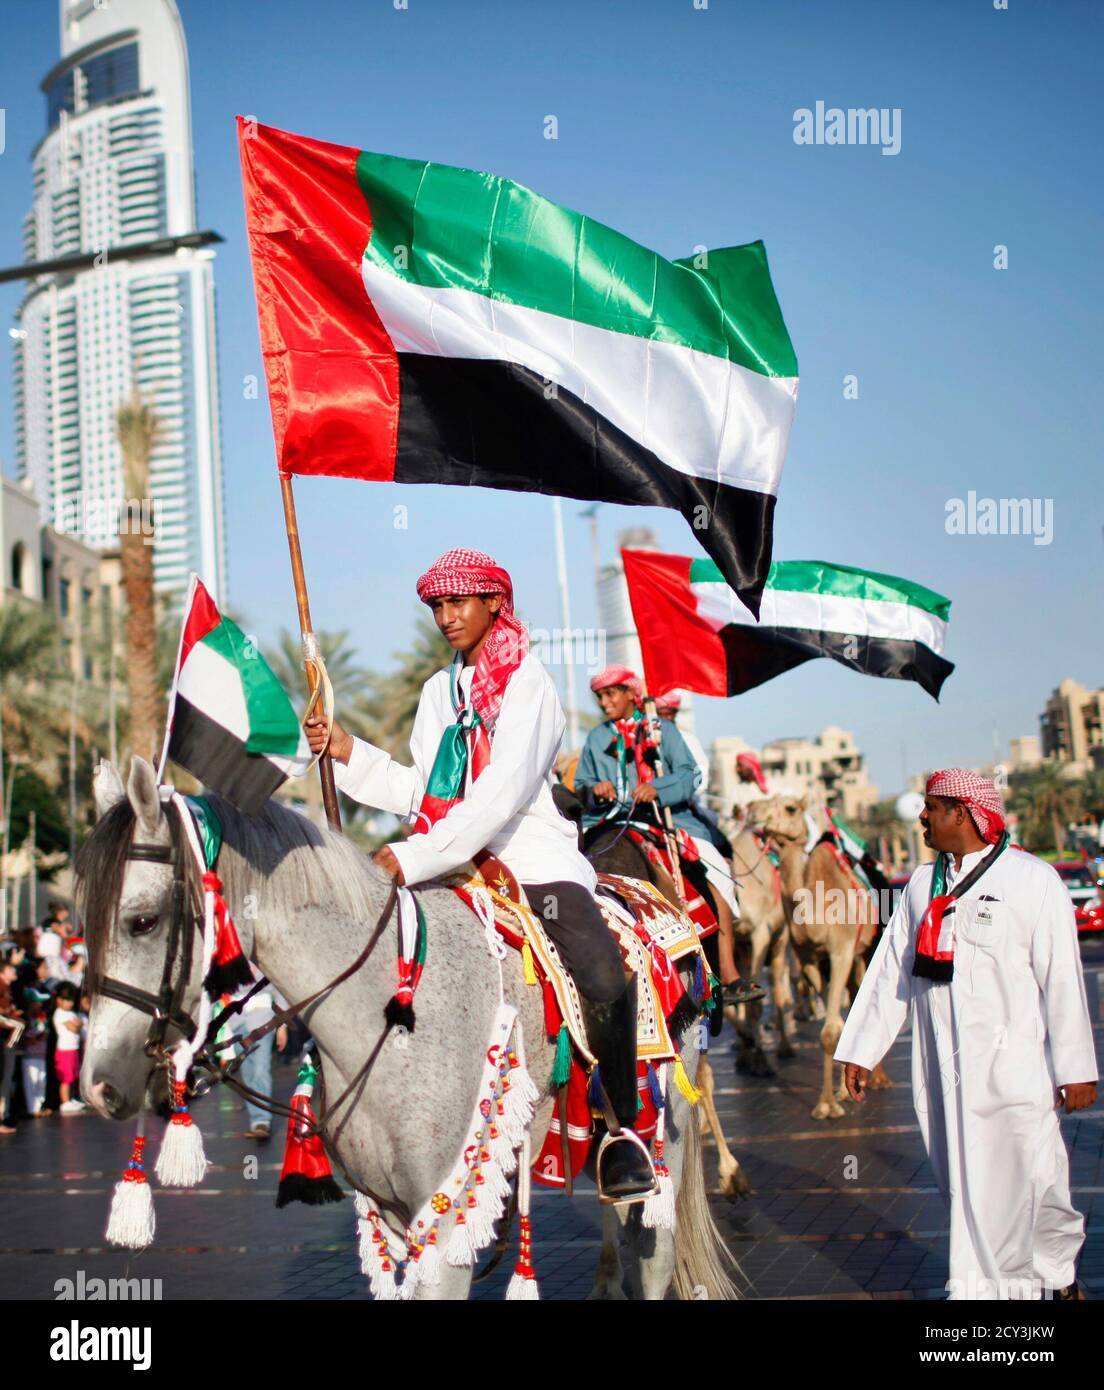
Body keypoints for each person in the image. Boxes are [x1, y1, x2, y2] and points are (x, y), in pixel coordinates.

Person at [305, 548, 657, 1203]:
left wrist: (412, 859)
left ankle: (622, 1127)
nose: (445, 617)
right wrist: (347, 750)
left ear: (496, 602)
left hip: (531, 864)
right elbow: (426, 791)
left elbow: (497, 797)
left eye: (457, 602)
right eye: (437, 605)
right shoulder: (440, 691)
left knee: (604, 973)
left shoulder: (530, 683)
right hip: (452, 864)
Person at [835, 769, 1098, 1301]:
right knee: (969, 1185)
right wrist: (863, 1050)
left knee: (1038, 1183)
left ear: (963, 812)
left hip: (1017, 1070)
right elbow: (892, 971)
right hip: (944, 1075)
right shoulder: (918, 886)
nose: (922, 817)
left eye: (931, 807)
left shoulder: (1032, 879)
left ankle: (1041, 1279)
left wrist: (1076, 1070)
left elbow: (1063, 979)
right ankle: (992, 1291)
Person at [576, 667, 762, 1007]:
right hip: (608, 822)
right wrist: (593, 789)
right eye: (600, 697)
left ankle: (730, 974)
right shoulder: (595, 739)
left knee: (713, 867)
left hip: (666, 819)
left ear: (631, 695)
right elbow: (581, 784)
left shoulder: (662, 731)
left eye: (610, 695)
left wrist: (656, 788)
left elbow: (689, 774)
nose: (604, 703)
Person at [219, 966, 289, 1140]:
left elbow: (281, 993)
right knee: (248, 1074)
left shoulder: (265, 963)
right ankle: (256, 1119)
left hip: (263, 1021)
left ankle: (261, 1121)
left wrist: (282, 1027)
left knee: (260, 1069)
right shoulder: (231, 961)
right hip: (237, 1023)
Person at [52, 982, 86, 1114]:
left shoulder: (71, 1013)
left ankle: (71, 1099)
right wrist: (79, 1024)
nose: (70, 1003)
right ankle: (65, 1102)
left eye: (71, 1000)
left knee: (72, 1076)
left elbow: (77, 1026)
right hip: (64, 1050)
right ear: (59, 1000)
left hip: (73, 1048)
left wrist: (78, 1024)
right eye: (67, 1000)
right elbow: (74, 1028)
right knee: (66, 1078)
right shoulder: (60, 1013)